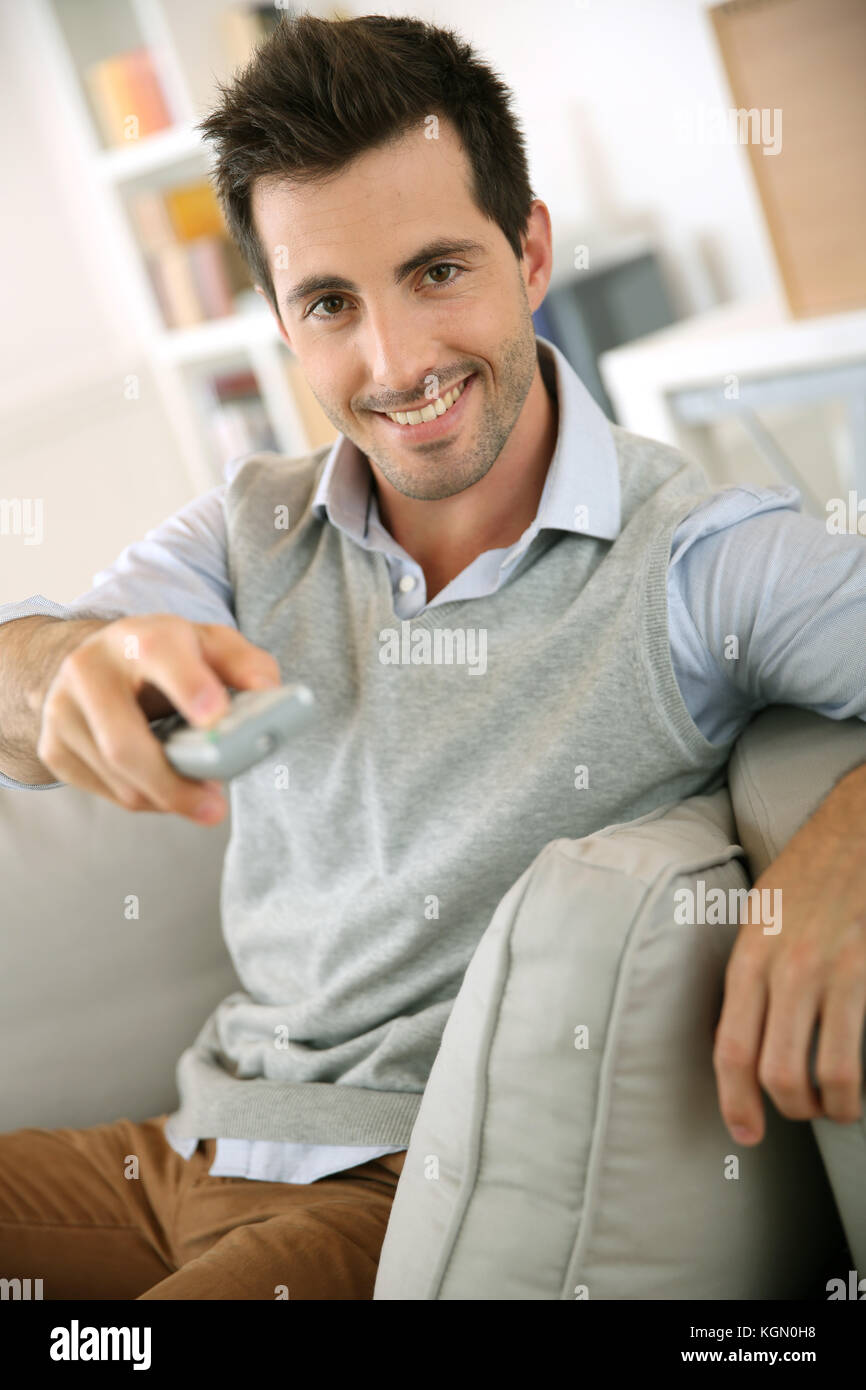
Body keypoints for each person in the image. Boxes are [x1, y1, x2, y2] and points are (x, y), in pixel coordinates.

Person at [1, 13, 865, 1301]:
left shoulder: (696, 560)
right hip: (179, 1148)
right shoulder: (246, 531)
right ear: (281, 323)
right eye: (331, 303)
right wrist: (66, 668)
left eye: (439, 272)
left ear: (529, 250)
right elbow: (26, 667)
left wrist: (849, 843)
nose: (397, 361)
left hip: (399, 1191)